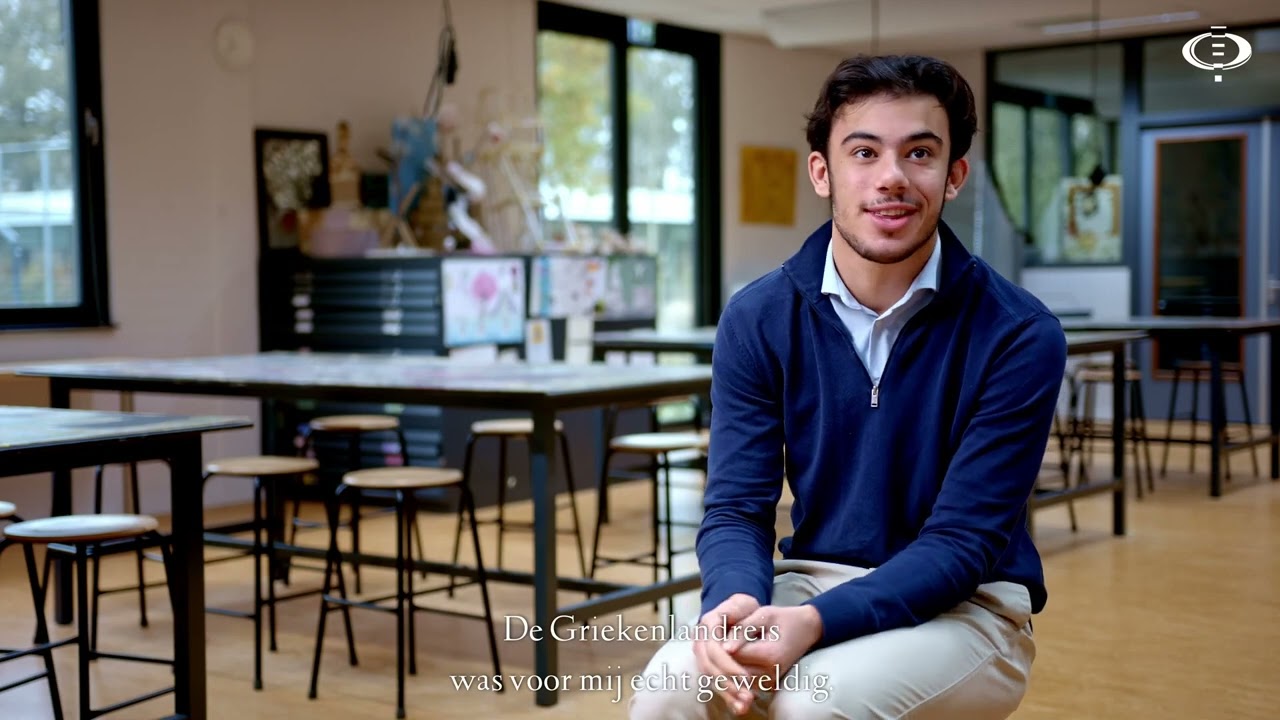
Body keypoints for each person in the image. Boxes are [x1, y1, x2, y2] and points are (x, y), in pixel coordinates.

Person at [628, 54, 1067, 719]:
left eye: (919, 153)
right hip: (809, 579)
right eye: (865, 152)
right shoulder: (758, 317)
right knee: (670, 686)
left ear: (954, 177)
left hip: (970, 603)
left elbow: (961, 544)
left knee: (810, 707)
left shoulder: (1018, 334)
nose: (891, 177)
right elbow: (736, 508)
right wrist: (737, 601)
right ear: (823, 172)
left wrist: (810, 625)